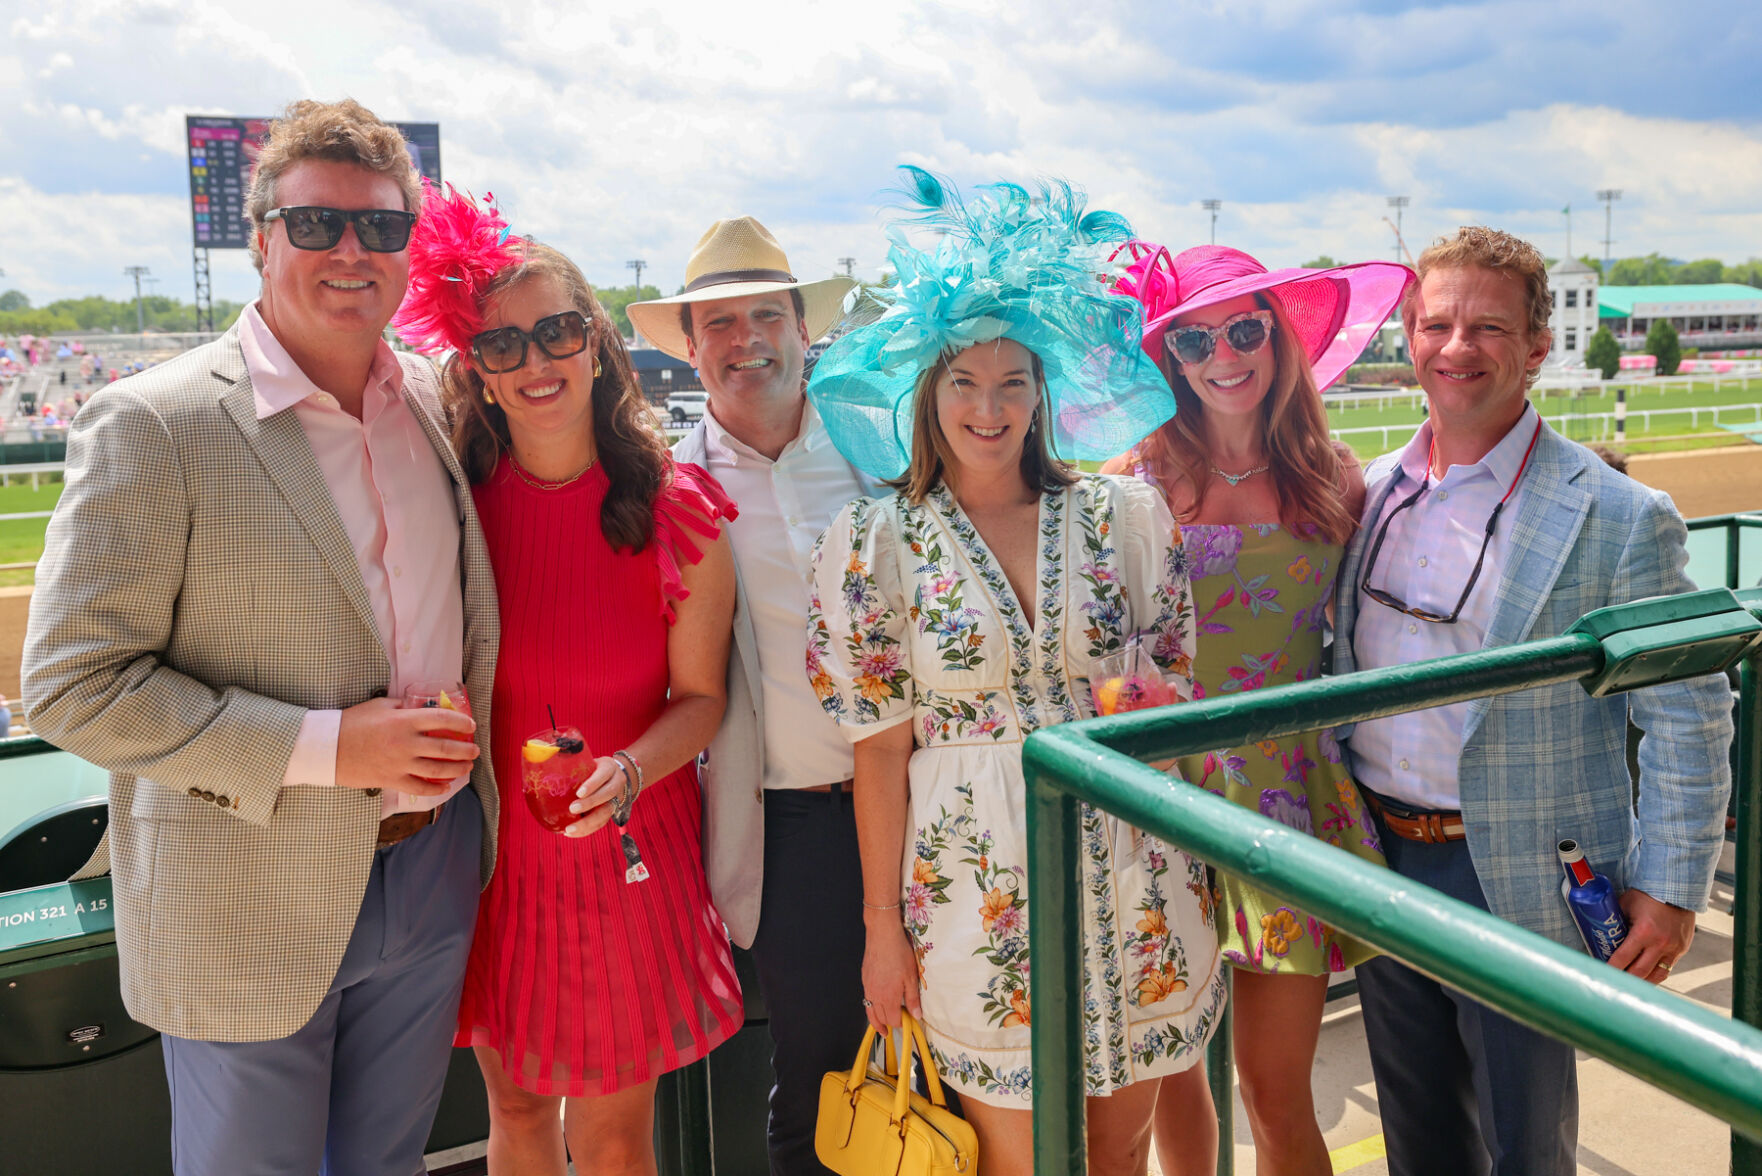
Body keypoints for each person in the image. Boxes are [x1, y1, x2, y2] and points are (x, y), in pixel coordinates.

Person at [21, 98, 497, 1176]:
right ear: (260, 236)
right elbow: (73, 687)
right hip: (242, 888)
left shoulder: (431, 400)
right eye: (315, 222)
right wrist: (331, 746)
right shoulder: (155, 420)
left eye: (380, 228)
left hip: (432, 867)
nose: (349, 251)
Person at [806, 168, 1226, 1176]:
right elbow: (878, 754)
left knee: (1117, 1155)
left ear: (1044, 392)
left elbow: (1175, 693)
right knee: (1016, 1163)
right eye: (963, 380)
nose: (987, 408)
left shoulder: (1124, 519)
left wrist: (1158, 708)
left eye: (1011, 381)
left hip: (1137, 884)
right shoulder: (873, 544)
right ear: (926, 390)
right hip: (969, 899)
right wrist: (880, 934)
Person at [1335, 226, 1734, 1176]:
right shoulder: (1368, 492)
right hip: (1379, 858)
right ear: (1409, 337)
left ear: (1538, 347)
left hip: (1517, 873)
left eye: (1489, 326)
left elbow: (1687, 712)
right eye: (1437, 324)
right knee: (1418, 1138)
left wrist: (1674, 887)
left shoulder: (1617, 513)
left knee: (1526, 1146)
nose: (1457, 347)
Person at [392, 185, 744, 1174]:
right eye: (504, 345)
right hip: (498, 867)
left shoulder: (679, 511)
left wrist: (630, 771)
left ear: (597, 344)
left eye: (556, 332)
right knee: (514, 1122)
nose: (535, 361)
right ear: (479, 371)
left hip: (628, 854)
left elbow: (703, 700)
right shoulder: (451, 504)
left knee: (616, 1138)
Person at [1105, 243, 1412, 1175]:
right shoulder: (1134, 482)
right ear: (1171, 360)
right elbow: (1110, 653)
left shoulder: (1335, 477)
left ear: (1278, 336)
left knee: (1275, 1092)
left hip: (1293, 795)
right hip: (1169, 793)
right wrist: (1141, 704)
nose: (1222, 356)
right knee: (1175, 1070)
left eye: (1244, 329)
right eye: (1193, 340)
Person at [627, 218, 874, 1176]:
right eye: (719, 322)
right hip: (789, 828)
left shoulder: (882, 455)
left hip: (928, 803)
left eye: (765, 315)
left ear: (800, 328)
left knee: (957, 1051)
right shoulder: (668, 488)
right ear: (691, 344)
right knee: (817, 1078)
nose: (746, 341)